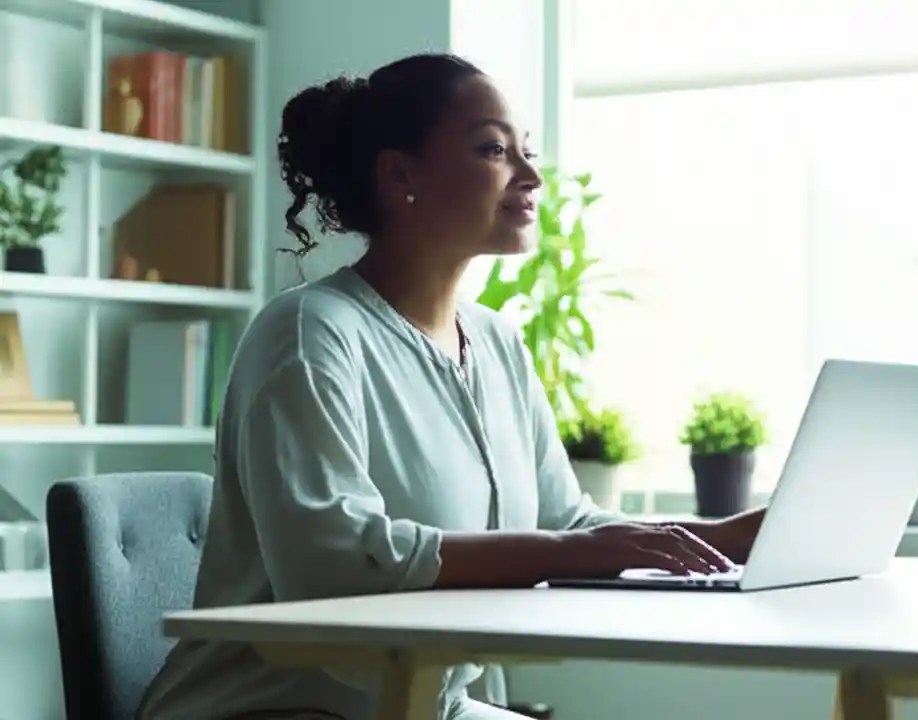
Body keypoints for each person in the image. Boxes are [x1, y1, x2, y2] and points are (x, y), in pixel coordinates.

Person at [135, 53, 764, 720]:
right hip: (269, 710)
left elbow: (569, 523)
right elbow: (331, 563)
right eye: (494, 149)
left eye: (527, 151)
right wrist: (573, 550)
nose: (530, 176)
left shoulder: (498, 344)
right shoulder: (308, 336)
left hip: (423, 706)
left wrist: (730, 537)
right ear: (399, 173)